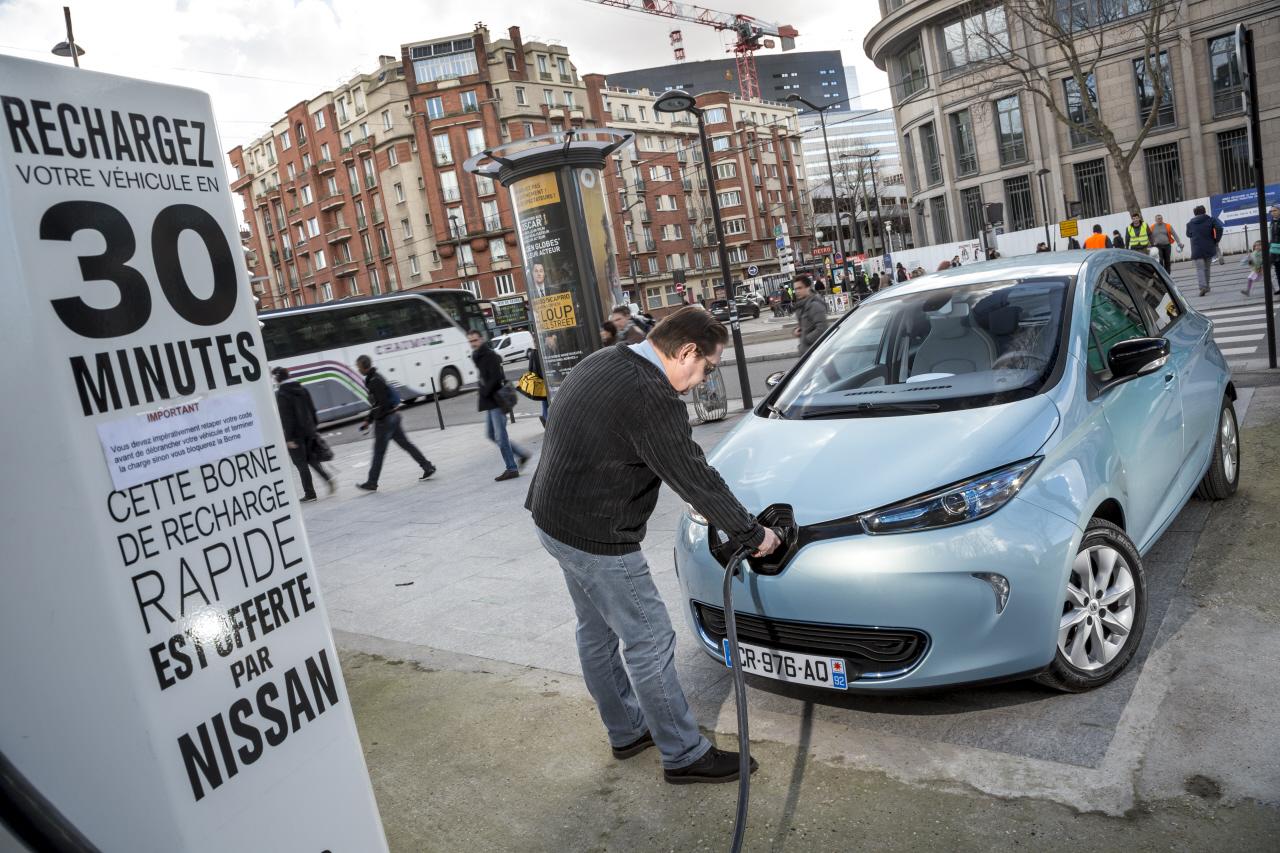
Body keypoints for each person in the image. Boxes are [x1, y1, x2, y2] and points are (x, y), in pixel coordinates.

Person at [526, 306, 781, 785]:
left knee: (596, 632)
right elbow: (694, 476)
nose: (707, 377)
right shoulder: (650, 394)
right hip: (599, 537)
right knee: (650, 638)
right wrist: (750, 534)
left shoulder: (605, 360)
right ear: (686, 351)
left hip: (552, 520)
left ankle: (626, 730)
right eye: (708, 366)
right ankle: (684, 754)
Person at [355, 355, 435, 491]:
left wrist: (373, 419)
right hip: (393, 417)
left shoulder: (374, 381)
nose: (358, 370)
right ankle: (427, 466)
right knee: (407, 445)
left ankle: (372, 482)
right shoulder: (376, 377)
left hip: (386, 420)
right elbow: (379, 403)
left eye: (358, 367)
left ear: (363, 367)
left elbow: (381, 404)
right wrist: (369, 419)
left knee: (378, 452)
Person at [469, 330, 531, 481]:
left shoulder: (490, 355)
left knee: (500, 436)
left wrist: (484, 391)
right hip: (489, 401)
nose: (473, 344)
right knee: (491, 434)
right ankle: (521, 454)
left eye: (475, 340)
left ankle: (511, 468)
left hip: (496, 400)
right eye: (470, 341)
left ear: (482, 339)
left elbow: (497, 377)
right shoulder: (477, 356)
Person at [273, 367, 334, 502]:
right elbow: (312, 409)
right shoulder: (302, 388)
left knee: (301, 464)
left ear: (277, 379)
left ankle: (310, 493)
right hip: (309, 431)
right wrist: (313, 427)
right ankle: (328, 478)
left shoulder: (282, 394)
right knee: (311, 459)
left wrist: (288, 438)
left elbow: (287, 418)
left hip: (295, 435)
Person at [1186, 204, 1226, 296]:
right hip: (1209, 247)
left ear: (1195, 213)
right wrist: (1216, 240)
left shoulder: (1190, 223)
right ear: (1204, 211)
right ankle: (1206, 286)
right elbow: (1219, 228)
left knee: (1200, 269)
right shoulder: (1211, 220)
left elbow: (1188, 234)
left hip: (1196, 248)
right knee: (1207, 268)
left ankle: (1203, 287)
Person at [793, 274, 829, 354]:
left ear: (808, 288)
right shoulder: (802, 305)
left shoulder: (814, 305)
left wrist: (805, 339)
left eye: (800, 288)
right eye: (795, 289)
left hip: (816, 353)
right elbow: (805, 324)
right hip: (807, 351)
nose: (797, 291)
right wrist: (796, 330)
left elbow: (822, 329)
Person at [527, 345, 549, 427]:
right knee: (546, 400)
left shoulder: (533, 352)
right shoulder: (544, 350)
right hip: (546, 378)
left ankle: (545, 417)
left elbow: (530, 369)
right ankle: (546, 419)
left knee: (544, 400)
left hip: (539, 380)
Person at [1269, 205, 1280, 296]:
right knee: (1277, 270)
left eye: (1275, 210)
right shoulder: (1272, 222)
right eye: (1271, 211)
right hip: (1275, 249)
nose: (1273, 212)